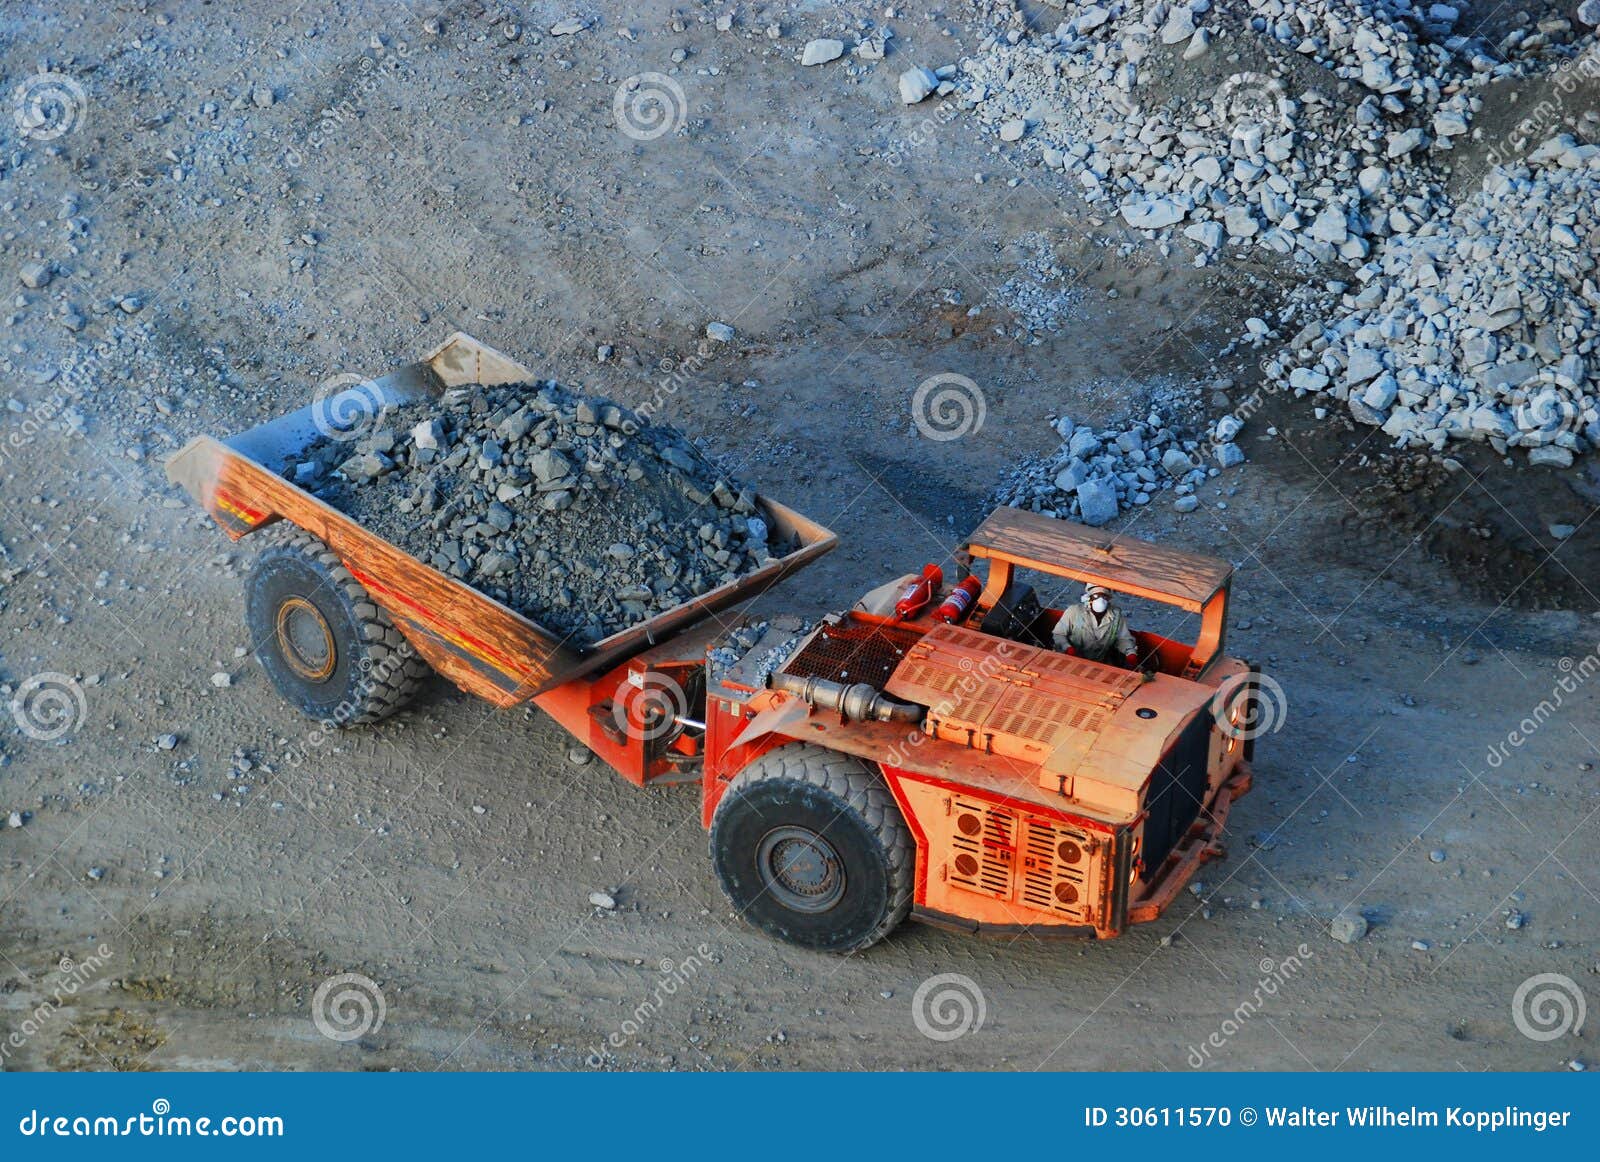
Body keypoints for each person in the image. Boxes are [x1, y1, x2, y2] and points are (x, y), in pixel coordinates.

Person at [1053, 584, 1139, 668]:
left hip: (1101, 662)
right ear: (1088, 598)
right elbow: (1059, 634)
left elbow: (1123, 638)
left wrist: (1130, 653)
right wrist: (1067, 648)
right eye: (1096, 596)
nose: (1100, 600)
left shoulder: (1116, 616)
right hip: (1072, 659)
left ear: (1109, 599)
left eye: (1104, 596)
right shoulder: (1074, 612)